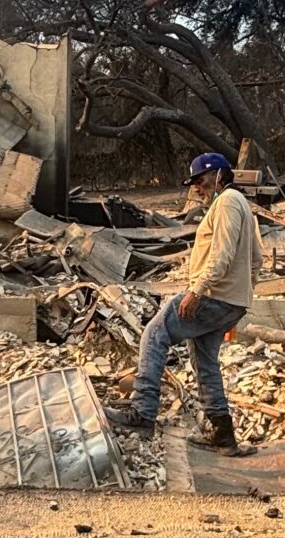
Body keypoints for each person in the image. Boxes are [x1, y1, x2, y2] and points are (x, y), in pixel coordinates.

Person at [106, 151, 261, 452]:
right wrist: (241, 300)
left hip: (214, 294)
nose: (197, 188)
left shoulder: (227, 202)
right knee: (204, 361)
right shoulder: (238, 204)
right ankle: (222, 435)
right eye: (194, 184)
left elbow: (222, 254)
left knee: (155, 333)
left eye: (200, 181)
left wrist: (197, 291)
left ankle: (142, 413)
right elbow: (256, 258)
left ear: (219, 175)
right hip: (229, 299)